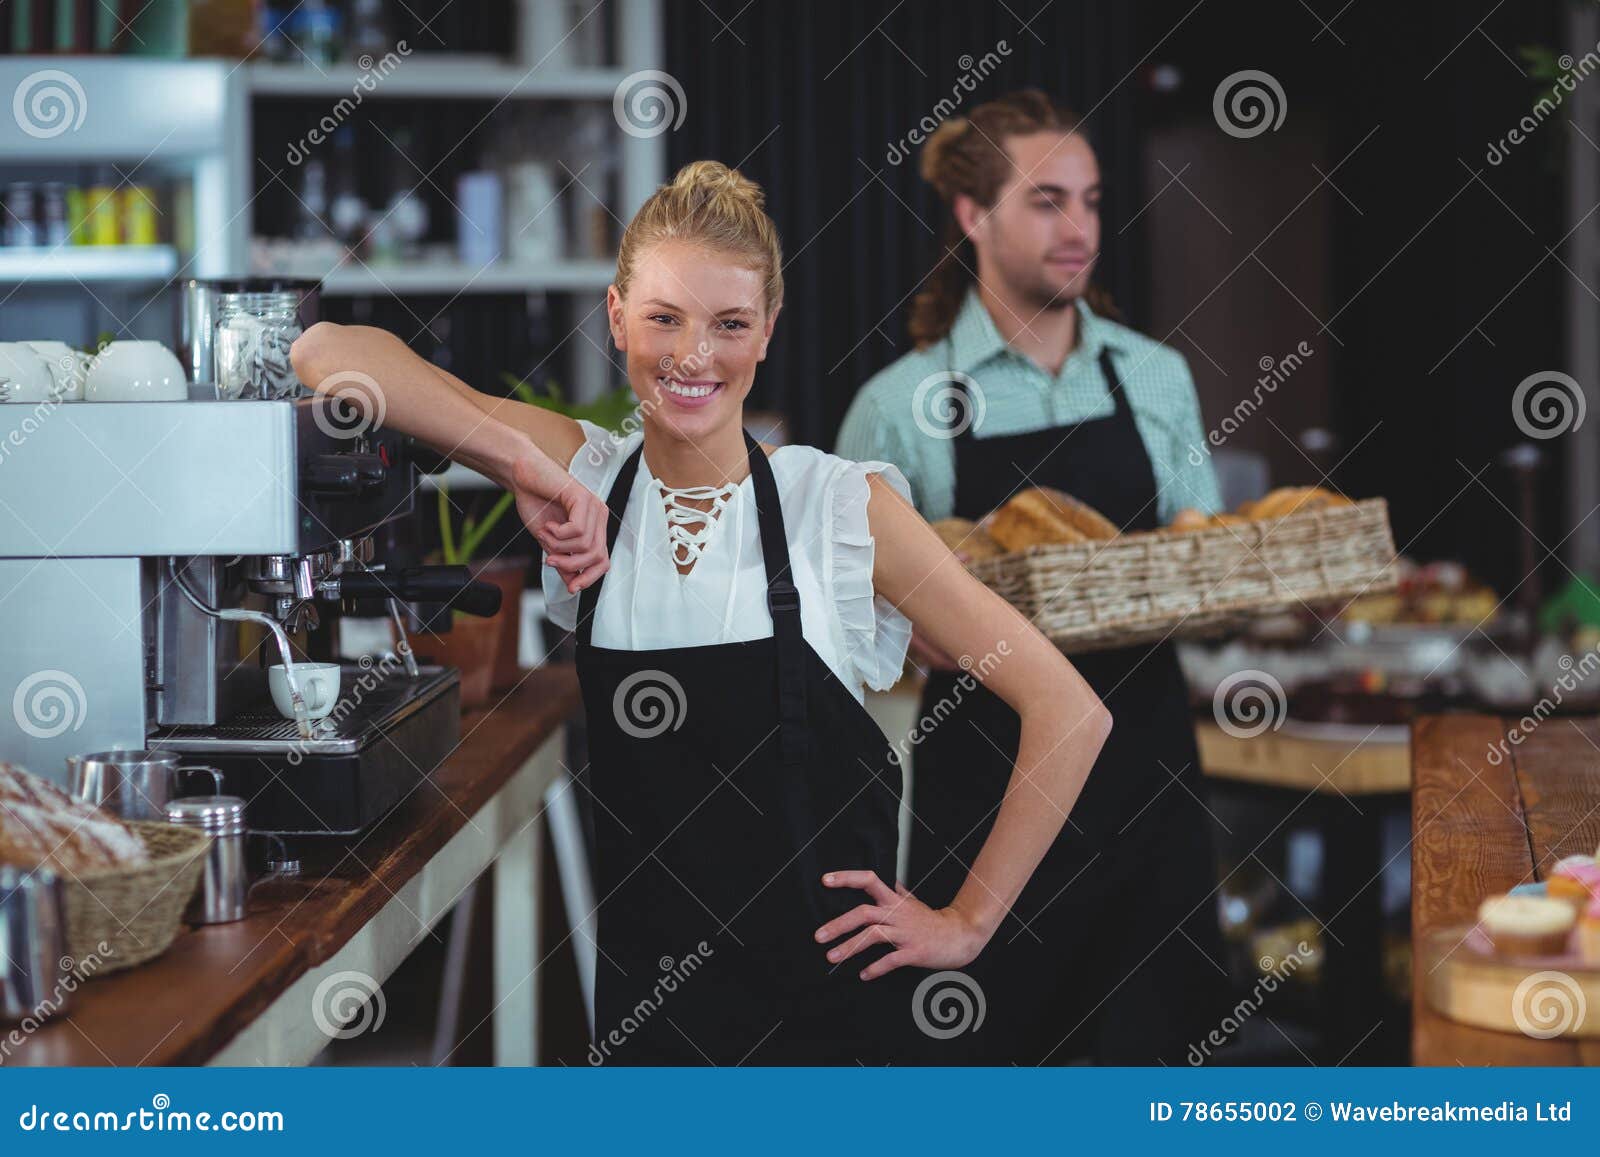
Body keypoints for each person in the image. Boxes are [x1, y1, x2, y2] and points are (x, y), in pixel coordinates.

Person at [290, 160, 1111, 1065]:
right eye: (663, 319)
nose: (693, 355)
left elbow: (1068, 709)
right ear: (615, 317)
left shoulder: (838, 508)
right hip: (654, 1023)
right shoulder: (585, 477)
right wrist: (519, 463)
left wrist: (967, 920)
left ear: (767, 332)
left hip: (834, 1031)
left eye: (729, 324)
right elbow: (327, 352)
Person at [836, 90, 1229, 1065]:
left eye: (1091, 201)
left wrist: (1295, 599)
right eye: (1047, 201)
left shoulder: (1153, 377)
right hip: (985, 810)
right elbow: (841, 629)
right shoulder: (898, 407)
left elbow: (1209, 562)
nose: (1081, 228)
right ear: (972, 216)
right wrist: (894, 616)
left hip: (1151, 796)